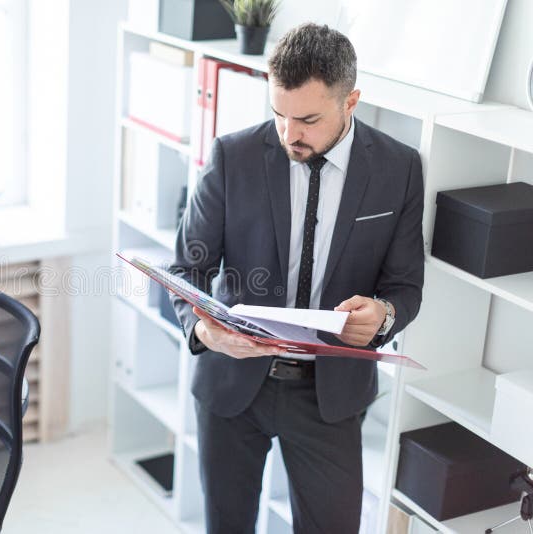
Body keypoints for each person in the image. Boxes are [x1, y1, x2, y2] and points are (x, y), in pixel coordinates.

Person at [169, 23, 424, 534]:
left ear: (350, 101)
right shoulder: (231, 157)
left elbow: (405, 288)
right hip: (231, 388)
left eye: (307, 119)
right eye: (278, 115)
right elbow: (186, 272)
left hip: (329, 397)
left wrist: (383, 317)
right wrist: (203, 330)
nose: (290, 135)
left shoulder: (399, 169)